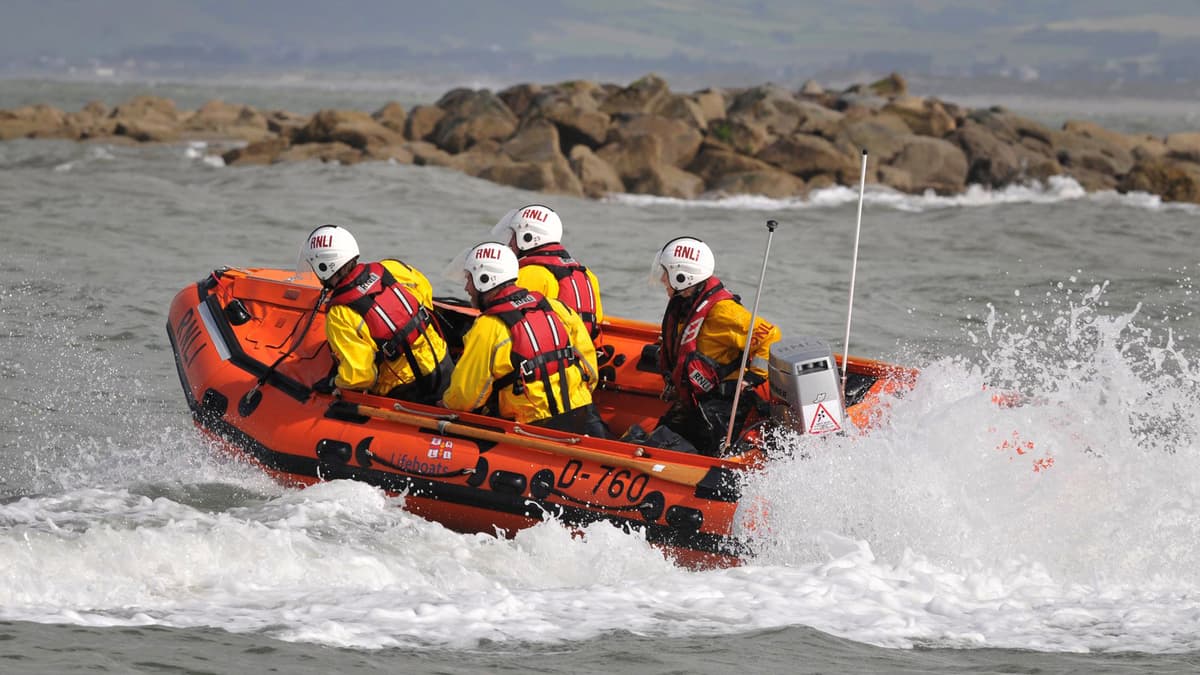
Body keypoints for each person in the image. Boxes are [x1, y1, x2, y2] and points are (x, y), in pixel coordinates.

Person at [440, 241, 607, 437]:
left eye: (469, 279)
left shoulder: (489, 327)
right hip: (583, 413)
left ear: (484, 279)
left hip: (532, 426)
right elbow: (590, 366)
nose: (467, 288)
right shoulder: (556, 308)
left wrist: (445, 403)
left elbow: (466, 398)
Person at [651, 236, 781, 456]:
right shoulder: (686, 304)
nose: (663, 279)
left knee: (672, 449)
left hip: (721, 404)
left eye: (666, 273)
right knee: (656, 441)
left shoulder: (722, 311)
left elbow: (770, 335)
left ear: (683, 276)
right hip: (697, 401)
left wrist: (753, 377)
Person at [301, 224, 452, 404]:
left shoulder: (340, 314)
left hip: (408, 388)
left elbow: (359, 377)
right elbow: (425, 290)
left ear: (323, 266)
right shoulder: (391, 268)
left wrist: (335, 382)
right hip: (444, 362)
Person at [490, 204, 604, 346]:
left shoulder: (527, 274)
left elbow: (498, 325)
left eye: (514, 235)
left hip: (546, 360)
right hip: (580, 358)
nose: (510, 243)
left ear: (528, 237)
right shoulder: (587, 275)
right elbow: (596, 321)